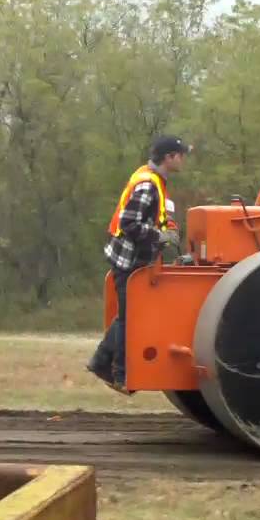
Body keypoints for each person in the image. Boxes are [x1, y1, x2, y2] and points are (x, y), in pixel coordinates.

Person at [87, 135, 191, 394]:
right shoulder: (148, 185)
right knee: (130, 318)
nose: (184, 159)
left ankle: (103, 365)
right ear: (169, 158)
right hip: (129, 259)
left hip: (129, 257)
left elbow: (158, 214)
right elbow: (129, 224)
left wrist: (169, 229)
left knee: (129, 315)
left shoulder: (152, 178)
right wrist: (160, 236)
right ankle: (117, 374)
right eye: (181, 154)